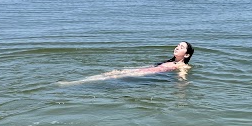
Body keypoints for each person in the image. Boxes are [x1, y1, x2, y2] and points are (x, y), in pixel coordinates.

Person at [58, 41, 195, 85]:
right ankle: (77, 81)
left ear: (187, 54)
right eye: (177, 45)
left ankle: (74, 83)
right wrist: (128, 68)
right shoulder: (169, 61)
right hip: (142, 72)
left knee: (113, 77)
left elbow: (182, 77)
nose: (177, 47)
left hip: (143, 76)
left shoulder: (182, 66)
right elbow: (150, 67)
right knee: (112, 73)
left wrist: (182, 88)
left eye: (182, 47)